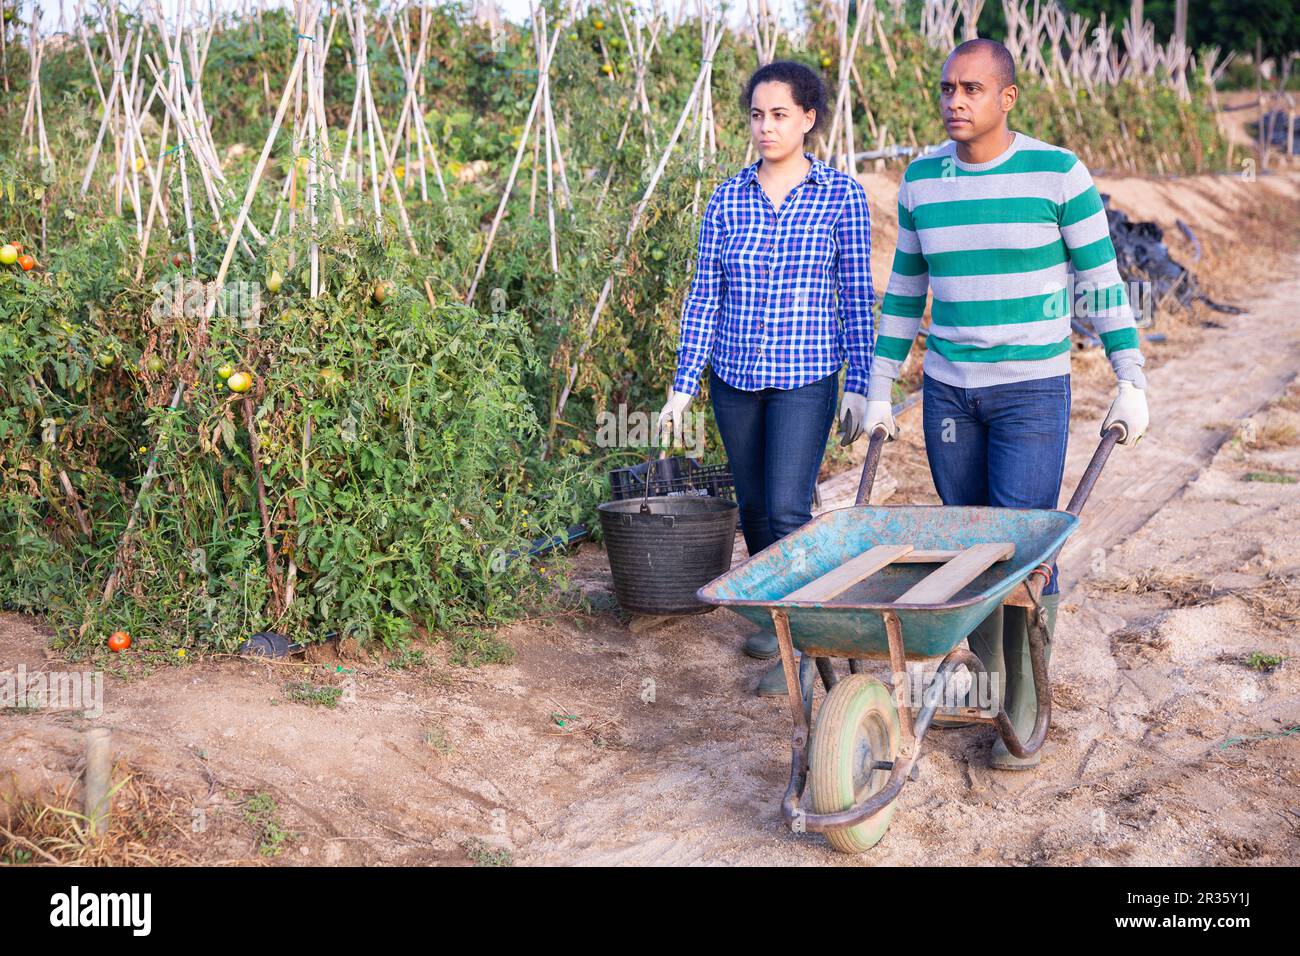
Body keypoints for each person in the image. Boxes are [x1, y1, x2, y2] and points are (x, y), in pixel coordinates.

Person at [859, 38, 1150, 769]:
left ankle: (1023, 693)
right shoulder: (923, 180)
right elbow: (904, 291)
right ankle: (989, 679)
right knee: (968, 545)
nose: (955, 102)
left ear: (1006, 97)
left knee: (1019, 548)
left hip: (1031, 390)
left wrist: (1131, 376)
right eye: (947, 89)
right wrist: (879, 384)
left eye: (971, 90)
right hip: (951, 391)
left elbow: (1101, 283)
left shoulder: (1058, 174)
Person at [657, 60, 876, 697]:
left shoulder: (840, 195)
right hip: (735, 375)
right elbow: (705, 293)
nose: (765, 127)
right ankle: (775, 610)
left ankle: (807, 646)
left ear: (808, 119)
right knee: (752, 506)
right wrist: (684, 383)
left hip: (806, 374)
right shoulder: (728, 198)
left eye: (779, 114)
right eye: (757, 114)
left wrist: (861, 382)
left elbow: (855, 294)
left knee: (787, 507)